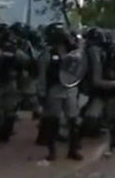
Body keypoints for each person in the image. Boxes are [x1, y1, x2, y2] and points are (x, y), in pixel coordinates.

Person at [41, 24, 83, 161]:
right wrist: (42, 91)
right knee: (53, 121)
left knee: (73, 120)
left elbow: (79, 67)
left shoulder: (73, 52)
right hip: (55, 88)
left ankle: (73, 150)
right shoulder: (48, 53)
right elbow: (42, 73)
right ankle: (52, 151)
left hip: (70, 87)